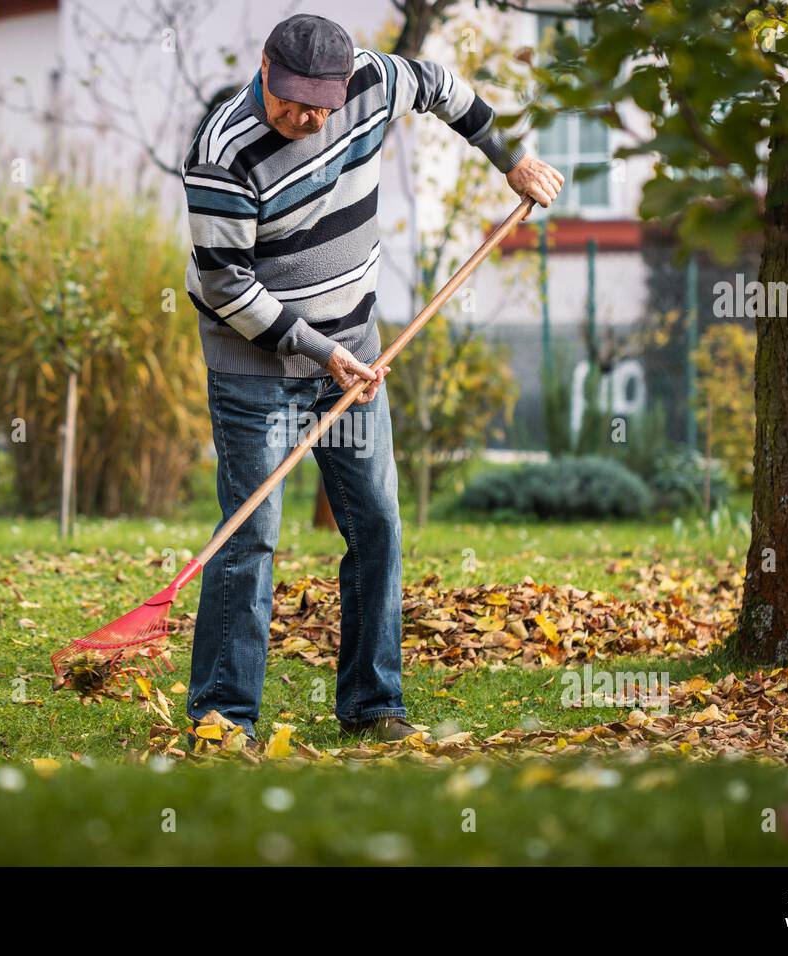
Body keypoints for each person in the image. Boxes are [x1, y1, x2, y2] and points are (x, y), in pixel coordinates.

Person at [181, 13, 562, 746]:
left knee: (378, 521)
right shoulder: (222, 153)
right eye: (292, 100)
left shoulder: (374, 80)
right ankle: (225, 714)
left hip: (353, 353)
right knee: (252, 531)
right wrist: (318, 352)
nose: (307, 116)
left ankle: (372, 704)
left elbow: (445, 88)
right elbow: (225, 286)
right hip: (257, 364)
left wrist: (507, 158)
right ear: (266, 69)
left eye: (320, 103)